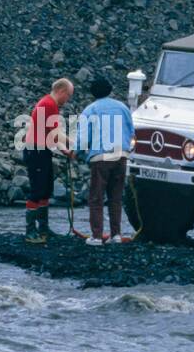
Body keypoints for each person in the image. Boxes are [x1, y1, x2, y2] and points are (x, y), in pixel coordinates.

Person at [74, 76, 133, 245]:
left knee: (96, 198)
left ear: (93, 93)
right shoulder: (123, 107)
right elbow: (131, 131)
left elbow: (83, 139)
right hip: (121, 155)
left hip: (101, 157)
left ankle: (97, 236)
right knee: (116, 197)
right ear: (110, 89)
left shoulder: (90, 110)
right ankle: (116, 235)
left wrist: (76, 153)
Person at [22, 78, 74, 244]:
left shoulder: (48, 104)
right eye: (68, 95)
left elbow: (52, 134)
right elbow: (56, 134)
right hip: (36, 150)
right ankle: (30, 231)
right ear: (61, 91)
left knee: (45, 190)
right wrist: (73, 144)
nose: (68, 99)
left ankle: (43, 229)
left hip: (42, 150)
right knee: (37, 190)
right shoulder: (49, 105)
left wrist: (65, 149)